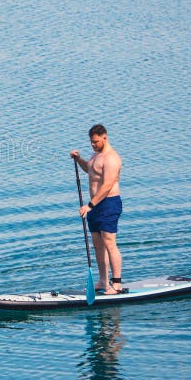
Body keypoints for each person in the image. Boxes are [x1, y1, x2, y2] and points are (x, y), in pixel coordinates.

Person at [70, 124, 125, 294]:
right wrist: (79, 160)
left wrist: (89, 205)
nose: (93, 145)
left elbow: (107, 185)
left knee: (109, 243)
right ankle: (103, 281)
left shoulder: (111, 158)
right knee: (97, 244)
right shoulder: (96, 155)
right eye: (91, 142)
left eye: (95, 142)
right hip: (94, 204)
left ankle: (116, 284)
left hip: (108, 203)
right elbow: (90, 170)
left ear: (104, 138)